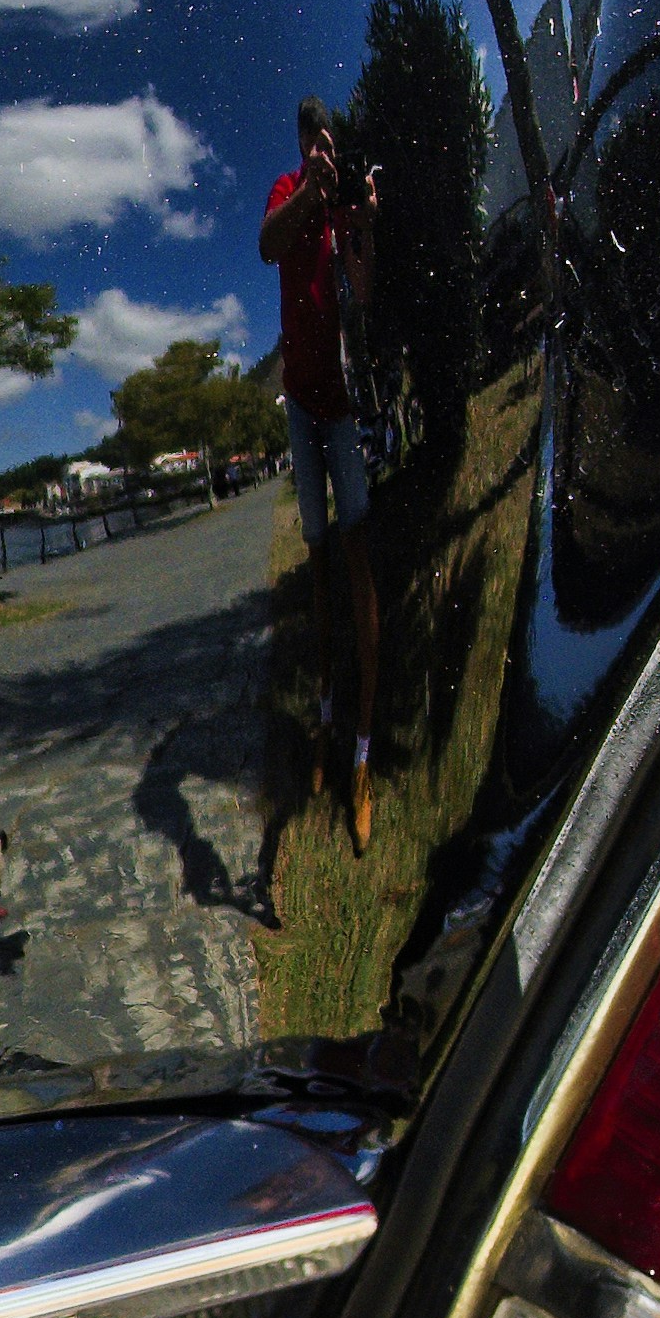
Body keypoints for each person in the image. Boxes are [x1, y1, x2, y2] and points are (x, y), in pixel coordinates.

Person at [259, 106, 386, 844]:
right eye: (312, 141)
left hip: (339, 411)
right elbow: (268, 245)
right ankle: (327, 718)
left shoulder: (337, 209)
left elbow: (364, 293)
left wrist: (364, 221)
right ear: (302, 146)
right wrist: (311, 189)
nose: (319, 152)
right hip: (300, 408)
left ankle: (363, 755)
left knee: (358, 556)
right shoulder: (289, 188)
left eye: (329, 143)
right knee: (316, 561)